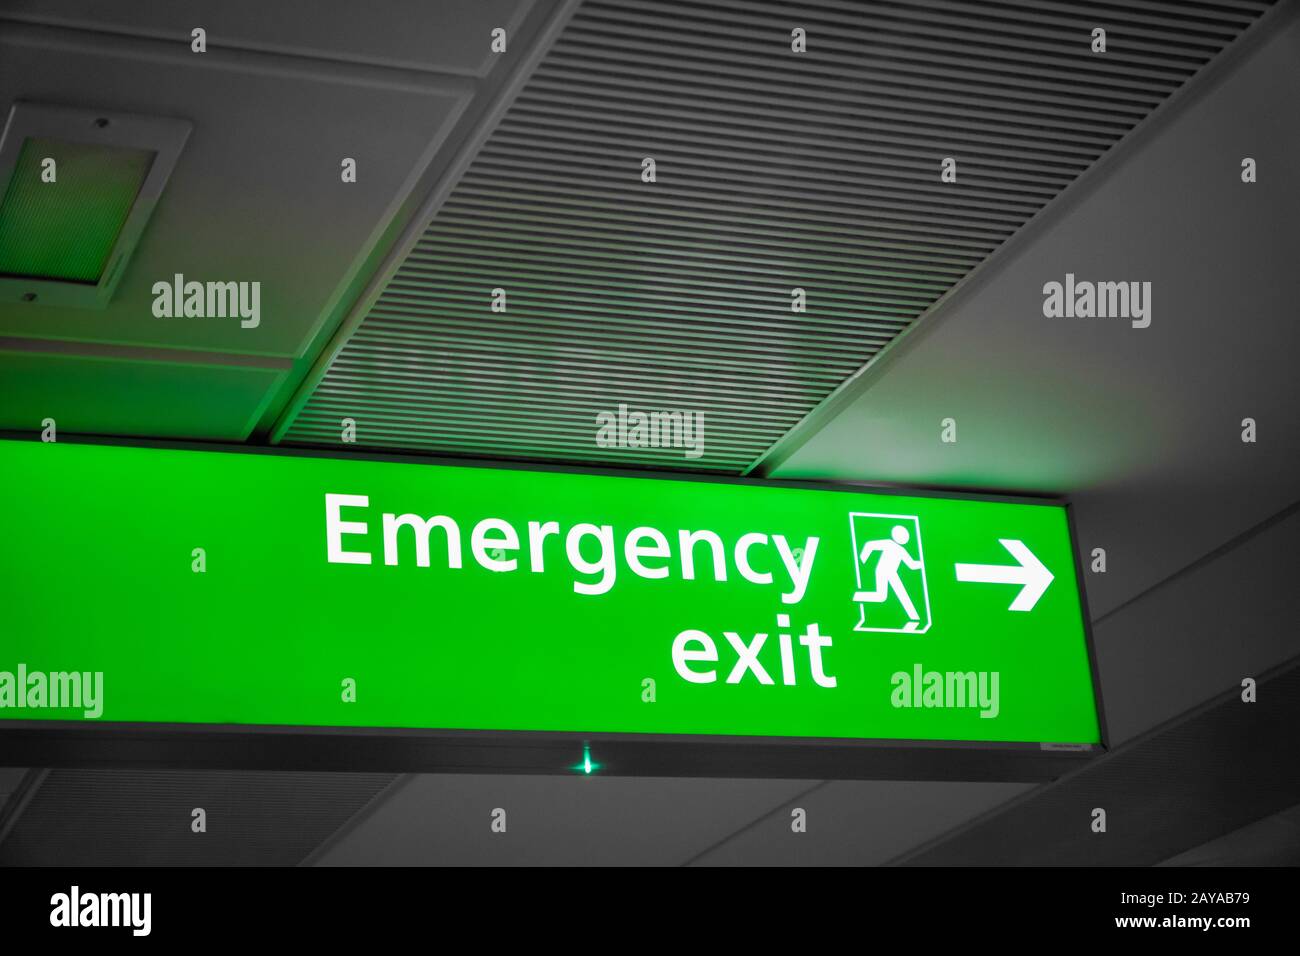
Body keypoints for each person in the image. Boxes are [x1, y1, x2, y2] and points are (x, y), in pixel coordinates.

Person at [853, 525, 922, 628]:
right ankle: (856, 596)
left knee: (893, 594)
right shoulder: (888, 543)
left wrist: (923, 563)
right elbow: (869, 545)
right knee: (882, 596)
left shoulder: (901, 550)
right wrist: (862, 560)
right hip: (883, 571)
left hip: (892, 573)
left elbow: (911, 565)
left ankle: (914, 617)